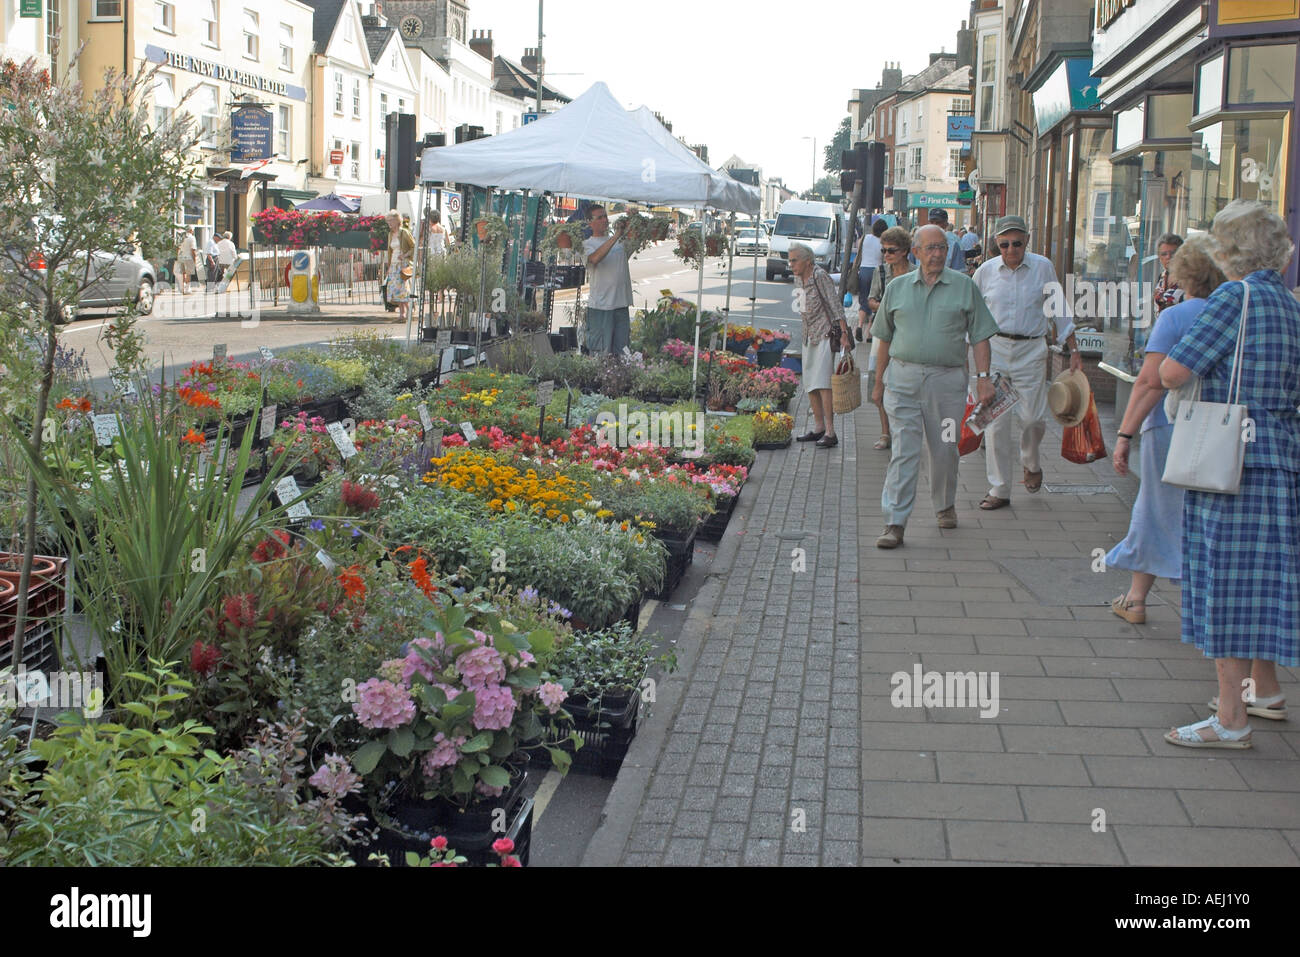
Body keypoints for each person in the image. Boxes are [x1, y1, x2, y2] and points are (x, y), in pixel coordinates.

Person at [1158, 200, 1300, 748]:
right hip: (1281, 457)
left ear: (1227, 250)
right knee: (1261, 582)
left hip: (1229, 460)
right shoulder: (1290, 305)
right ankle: (1263, 690)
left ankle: (1230, 718)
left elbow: (1173, 370)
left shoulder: (1232, 298)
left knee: (1225, 587)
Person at [1107, 235, 1226, 624]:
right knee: (1210, 515)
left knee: (1157, 510)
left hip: (1170, 425)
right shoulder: (1233, 314)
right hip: (1220, 430)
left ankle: (1137, 600)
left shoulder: (1175, 317)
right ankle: (1206, 605)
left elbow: (1149, 382)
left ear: (1182, 275)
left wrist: (1125, 435)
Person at [871, 224, 999, 548]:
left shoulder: (963, 287)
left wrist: (984, 380)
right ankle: (895, 522)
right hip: (903, 382)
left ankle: (944, 505)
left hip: (946, 385)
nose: (937, 253)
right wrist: (877, 384)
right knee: (904, 449)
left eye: (942, 247)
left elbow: (981, 336)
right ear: (915, 252)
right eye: (930, 248)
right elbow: (883, 338)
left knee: (945, 447)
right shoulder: (897, 289)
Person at [972, 215, 1082, 510]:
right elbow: (970, 314)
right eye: (1004, 245)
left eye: (1017, 243)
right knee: (995, 424)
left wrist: (1073, 349)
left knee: (1032, 419)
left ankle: (1030, 462)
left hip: (1032, 350)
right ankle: (1000, 488)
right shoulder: (985, 273)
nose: (1011, 250)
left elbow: (1059, 309)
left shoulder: (1042, 267)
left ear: (1027, 242)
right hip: (996, 349)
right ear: (996, 245)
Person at [790, 242, 853, 450]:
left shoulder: (819, 275)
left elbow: (835, 305)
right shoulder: (798, 278)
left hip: (826, 334)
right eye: (790, 260)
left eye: (794, 260)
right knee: (809, 382)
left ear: (807, 261)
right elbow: (800, 307)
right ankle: (817, 427)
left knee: (824, 383)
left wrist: (843, 333)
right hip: (809, 335)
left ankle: (830, 431)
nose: (791, 264)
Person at [861, 225, 914, 451]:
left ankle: (905, 431)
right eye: (883, 251)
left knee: (907, 386)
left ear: (904, 250)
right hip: (883, 333)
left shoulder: (915, 273)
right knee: (878, 382)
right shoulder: (880, 272)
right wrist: (886, 306)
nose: (886, 255)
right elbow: (871, 300)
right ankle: (885, 432)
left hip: (909, 335)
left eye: (891, 250)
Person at [582, 204, 633, 354]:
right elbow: (595, 259)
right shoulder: (586, 244)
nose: (605, 220)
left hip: (621, 304)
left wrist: (633, 220)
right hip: (601, 307)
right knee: (600, 352)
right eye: (600, 217)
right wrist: (616, 235)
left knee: (623, 352)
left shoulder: (619, 242)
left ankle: (619, 377)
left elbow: (637, 240)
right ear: (590, 223)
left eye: (605, 216)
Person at [384, 209, 415, 323]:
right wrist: (389, 266)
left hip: (402, 265)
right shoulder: (390, 235)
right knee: (395, 291)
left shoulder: (404, 232)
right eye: (388, 222)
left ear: (397, 221)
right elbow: (390, 251)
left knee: (403, 290)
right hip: (394, 265)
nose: (389, 224)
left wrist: (405, 255)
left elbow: (413, 246)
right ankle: (403, 314)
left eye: (391, 221)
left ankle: (407, 312)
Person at [856, 218, 885, 316]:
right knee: (875, 297)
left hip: (864, 270)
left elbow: (858, 250)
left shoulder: (864, 238)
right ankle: (872, 319)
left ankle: (860, 325)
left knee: (864, 298)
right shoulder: (883, 242)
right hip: (877, 271)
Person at [1152, 232, 1185, 317]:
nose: (1168, 257)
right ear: (1159, 257)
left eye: (1173, 253)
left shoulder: (1188, 279)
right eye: (1164, 254)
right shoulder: (1162, 277)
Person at [176, 227, 197, 295]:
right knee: (189, 273)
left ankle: (182, 288)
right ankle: (187, 289)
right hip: (188, 257)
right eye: (193, 230)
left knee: (183, 273)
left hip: (181, 257)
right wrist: (194, 259)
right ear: (191, 230)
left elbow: (177, 248)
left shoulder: (181, 237)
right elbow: (193, 250)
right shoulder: (192, 238)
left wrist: (178, 256)